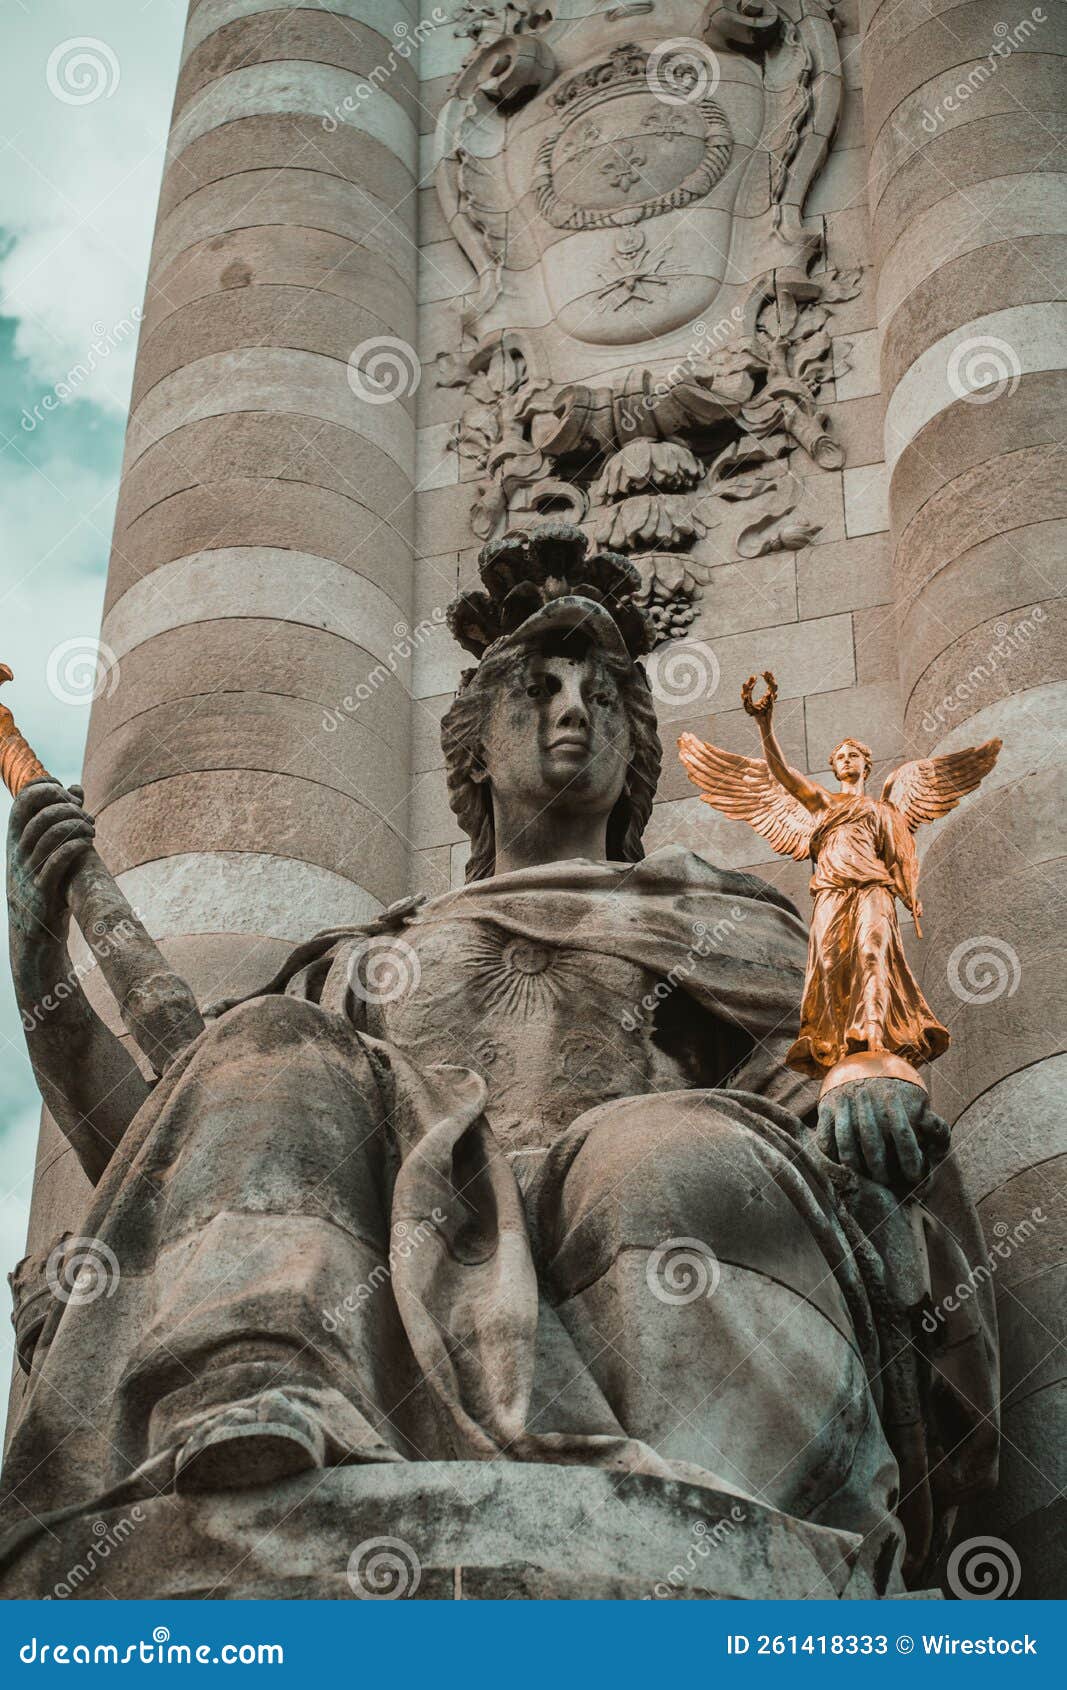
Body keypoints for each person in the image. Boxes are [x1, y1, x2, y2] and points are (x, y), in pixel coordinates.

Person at [1, 527, 995, 1588]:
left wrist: (863, 1094)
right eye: (538, 687)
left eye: (601, 697)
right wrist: (42, 977)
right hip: (403, 1244)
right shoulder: (360, 960)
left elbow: (815, 1073)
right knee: (263, 1042)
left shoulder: (712, 915)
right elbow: (182, 1148)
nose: (572, 709)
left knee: (653, 1154)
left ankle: (707, 1527)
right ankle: (256, 1403)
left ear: (633, 756)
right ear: (475, 746)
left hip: (625, 1191)